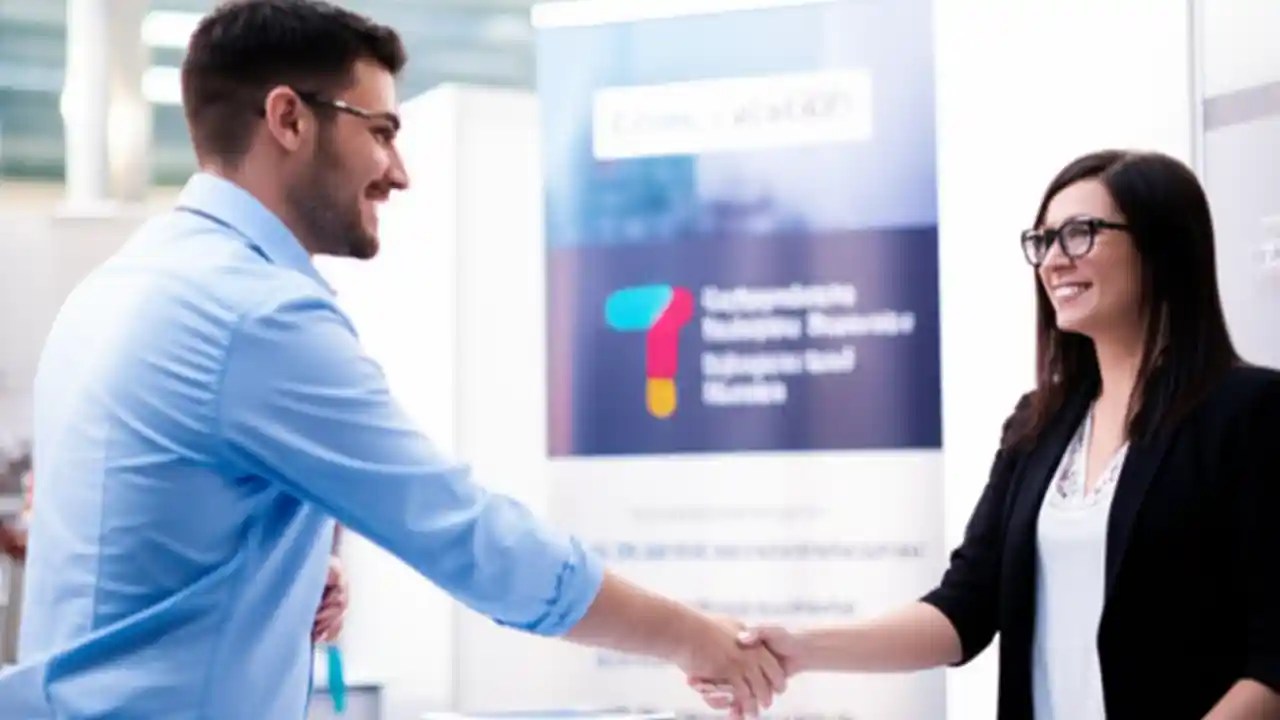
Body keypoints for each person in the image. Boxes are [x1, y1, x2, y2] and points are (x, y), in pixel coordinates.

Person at [0, 2, 784, 718]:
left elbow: (125, 541)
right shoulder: (255, 312)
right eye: (379, 131)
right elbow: (469, 537)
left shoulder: (114, 290)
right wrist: (695, 638)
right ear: (289, 119)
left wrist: (274, 575)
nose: (399, 171)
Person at [691, 150, 1280, 719]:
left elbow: (1273, 657)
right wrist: (804, 649)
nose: (1053, 260)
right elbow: (964, 608)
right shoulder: (1040, 423)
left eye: (1081, 233)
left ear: (1161, 247)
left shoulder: (1249, 411)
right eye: (1044, 240)